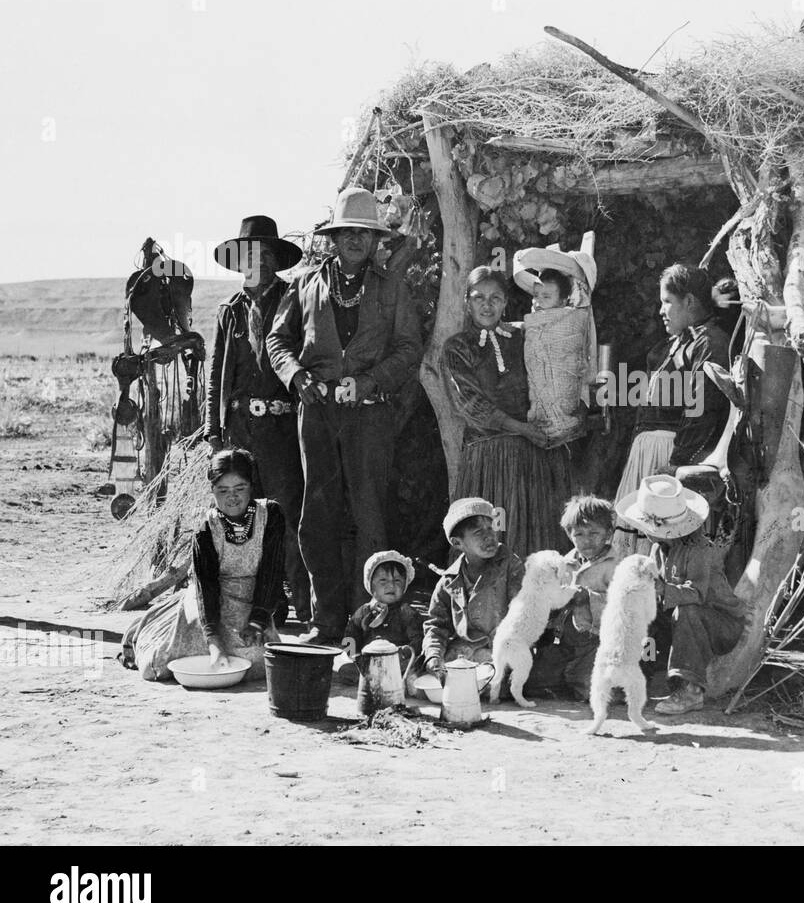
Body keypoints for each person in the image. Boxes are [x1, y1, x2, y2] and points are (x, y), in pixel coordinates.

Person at [266, 187, 422, 647]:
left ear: (375, 240)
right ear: (333, 237)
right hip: (316, 416)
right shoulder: (305, 284)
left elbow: (409, 348)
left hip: (370, 418)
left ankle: (367, 621)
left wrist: (371, 382)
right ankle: (326, 619)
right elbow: (278, 343)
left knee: (369, 515)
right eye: (347, 232)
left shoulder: (391, 287)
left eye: (365, 233)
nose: (356, 240)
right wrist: (298, 378)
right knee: (317, 516)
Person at [205, 215, 310, 625]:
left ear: (276, 260)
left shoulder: (293, 299)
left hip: (282, 429)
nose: (257, 264)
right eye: (249, 256)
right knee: (243, 518)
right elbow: (217, 375)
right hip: (239, 431)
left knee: (285, 514)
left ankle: (305, 605)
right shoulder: (229, 311)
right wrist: (214, 433)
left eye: (265, 255)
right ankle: (262, 608)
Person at [440, 265, 574, 557]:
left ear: (505, 302)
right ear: (467, 302)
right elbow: (471, 406)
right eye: (479, 298)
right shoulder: (457, 348)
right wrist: (521, 427)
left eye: (495, 298)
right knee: (493, 537)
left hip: (534, 457)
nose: (487, 305)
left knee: (538, 540)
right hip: (489, 458)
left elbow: (554, 373)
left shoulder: (525, 336)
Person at [121, 449, 284, 681]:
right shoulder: (205, 526)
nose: (232, 497)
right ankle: (158, 627)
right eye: (223, 490)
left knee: (258, 659)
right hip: (207, 601)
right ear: (212, 491)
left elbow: (271, 573)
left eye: (240, 488)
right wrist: (214, 643)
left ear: (252, 486)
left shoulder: (271, 515)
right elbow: (205, 586)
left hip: (254, 601)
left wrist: (258, 622)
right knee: (158, 667)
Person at [612, 263, 732, 557]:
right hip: (649, 453)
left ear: (689, 301)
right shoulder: (677, 344)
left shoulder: (709, 342)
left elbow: (701, 410)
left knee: (663, 544)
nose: (661, 311)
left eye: (668, 302)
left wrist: (677, 465)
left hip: (671, 452)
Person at [616, 473, 744, 715]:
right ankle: (639, 676)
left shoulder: (700, 549)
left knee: (687, 612)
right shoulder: (659, 547)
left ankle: (690, 691)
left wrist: (662, 589)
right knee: (644, 617)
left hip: (720, 623)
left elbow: (696, 594)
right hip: (680, 616)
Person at [528, 493, 620, 701]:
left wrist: (588, 597)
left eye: (594, 533)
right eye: (579, 534)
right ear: (569, 534)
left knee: (595, 691)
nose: (587, 540)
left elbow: (622, 608)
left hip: (597, 640)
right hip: (565, 639)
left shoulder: (615, 566)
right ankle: (565, 677)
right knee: (533, 682)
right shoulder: (565, 562)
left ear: (608, 534)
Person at [422, 498, 525, 681]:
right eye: (478, 532)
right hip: (464, 653)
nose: (489, 536)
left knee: (497, 680)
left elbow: (521, 613)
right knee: (421, 679)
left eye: (491, 528)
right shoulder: (449, 581)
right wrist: (434, 656)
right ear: (457, 543)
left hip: (503, 649)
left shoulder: (510, 565)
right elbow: (437, 625)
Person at [513, 244, 600, 445]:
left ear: (562, 301)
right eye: (535, 296)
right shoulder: (533, 323)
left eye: (546, 297)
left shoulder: (572, 320)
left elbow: (572, 350)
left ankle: (558, 418)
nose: (537, 302)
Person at [343, 550, 423, 681]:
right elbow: (350, 635)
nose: (391, 585)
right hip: (369, 660)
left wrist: (404, 652)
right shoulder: (364, 611)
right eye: (383, 580)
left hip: (396, 661)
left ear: (405, 585)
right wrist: (352, 655)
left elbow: (418, 640)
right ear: (370, 584)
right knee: (345, 669)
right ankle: (373, 677)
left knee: (411, 668)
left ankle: (385, 679)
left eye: (397, 581)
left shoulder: (406, 612)